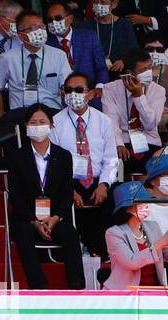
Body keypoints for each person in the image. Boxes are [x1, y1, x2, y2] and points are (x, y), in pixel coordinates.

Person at [7, 104, 85, 288]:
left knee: (71, 234)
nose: (38, 125)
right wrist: (34, 220)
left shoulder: (64, 156)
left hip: (54, 217)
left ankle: (77, 287)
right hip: (27, 218)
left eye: (42, 121)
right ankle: (38, 287)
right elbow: (15, 195)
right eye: (33, 122)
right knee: (23, 232)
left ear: (51, 124)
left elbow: (67, 194)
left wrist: (55, 218)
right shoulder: (17, 157)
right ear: (26, 125)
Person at [48, 70, 118, 256]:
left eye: (79, 90)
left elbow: (111, 159)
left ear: (91, 93)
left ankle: (104, 255)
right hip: (68, 182)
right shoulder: (56, 122)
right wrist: (69, 189)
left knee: (113, 204)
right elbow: (53, 163)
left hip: (97, 180)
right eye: (68, 90)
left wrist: (104, 185)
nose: (73, 95)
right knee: (62, 201)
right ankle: (78, 251)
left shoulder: (103, 121)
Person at [0, 10, 71, 121]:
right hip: (20, 113)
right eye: (33, 28)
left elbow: (68, 87)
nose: (40, 31)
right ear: (21, 36)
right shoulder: (7, 58)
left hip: (51, 112)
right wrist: (1, 120)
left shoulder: (59, 55)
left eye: (41, 27)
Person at [101, 48, 166, 175]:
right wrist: (118, 144)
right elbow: (111, 120)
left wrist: (139, 96)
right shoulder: (110, 89)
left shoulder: (158, 90)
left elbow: (151, 125)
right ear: (130, 73)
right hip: (123, 139)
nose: (148, 73)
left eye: (149, 68)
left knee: (151, 169)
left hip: (149, 140)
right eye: (143, 70)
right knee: (117, 167)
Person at [103, 179, 168, 288]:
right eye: (142, 202)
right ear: (128, 208)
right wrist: (162, 242)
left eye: (147, 201)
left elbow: (164, 253)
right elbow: (132, 262)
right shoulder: (113, 233)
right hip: (125, 295)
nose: (147, 205)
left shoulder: (153, 226)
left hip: (154, 292)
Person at [45, 2, 109, 86]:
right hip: (62, 94)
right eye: (50, 20)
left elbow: (101, 68)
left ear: (70, 18)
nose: (53, 23)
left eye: (58, 18)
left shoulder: (89, 37)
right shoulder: (46, 45)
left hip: (90, 91)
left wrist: (99, 87)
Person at [90, 0, 139, 74]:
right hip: (95, 70)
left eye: (103, 2)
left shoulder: (124, 24)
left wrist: (123, 61)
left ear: (114, 4)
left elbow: (133, 48)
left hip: (120, 71)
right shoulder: (87, 26)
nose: (98, 5)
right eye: (96, 2)